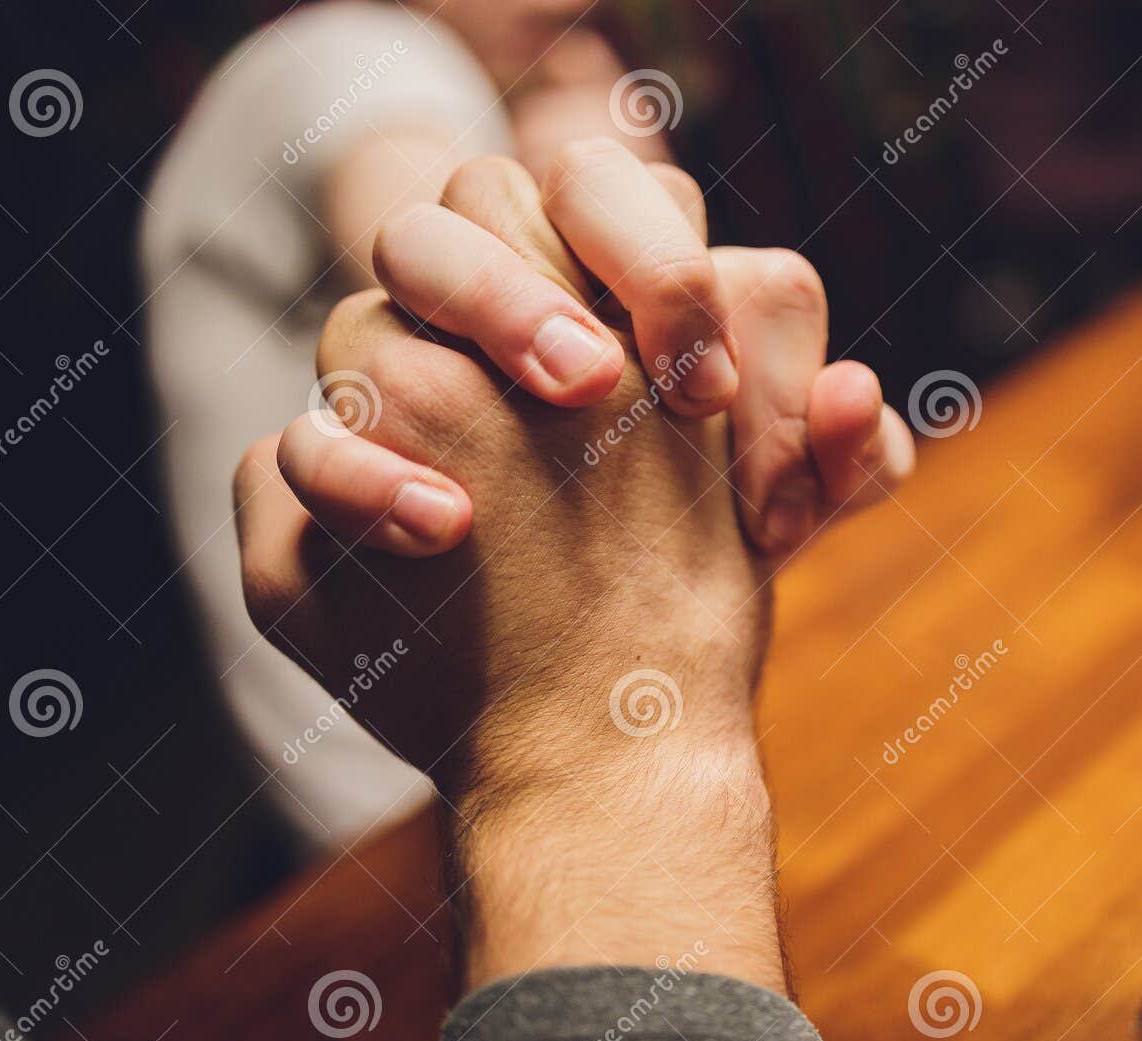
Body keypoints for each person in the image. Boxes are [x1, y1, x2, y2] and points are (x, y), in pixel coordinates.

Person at [0, 142, 913, 1041]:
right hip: (351, 863)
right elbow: (401, 174)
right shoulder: (346, 42)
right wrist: (593, 747)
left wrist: (679, 550)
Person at [141, 0, 907, 843]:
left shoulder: (474, 86)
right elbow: (421, 218)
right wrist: (589, 262)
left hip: (502, 786)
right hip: (402, 829)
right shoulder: (347, 50)